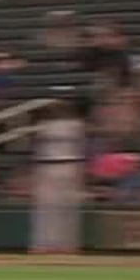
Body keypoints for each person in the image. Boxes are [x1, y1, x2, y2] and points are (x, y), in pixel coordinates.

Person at [30, 99, 86, 254]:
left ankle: (68, 246)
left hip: (70, 165)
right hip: (48, 166)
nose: (59, 111)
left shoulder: (76, 125)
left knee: (68, 208)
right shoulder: (45, 126)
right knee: (46, 208)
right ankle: (43, 245)